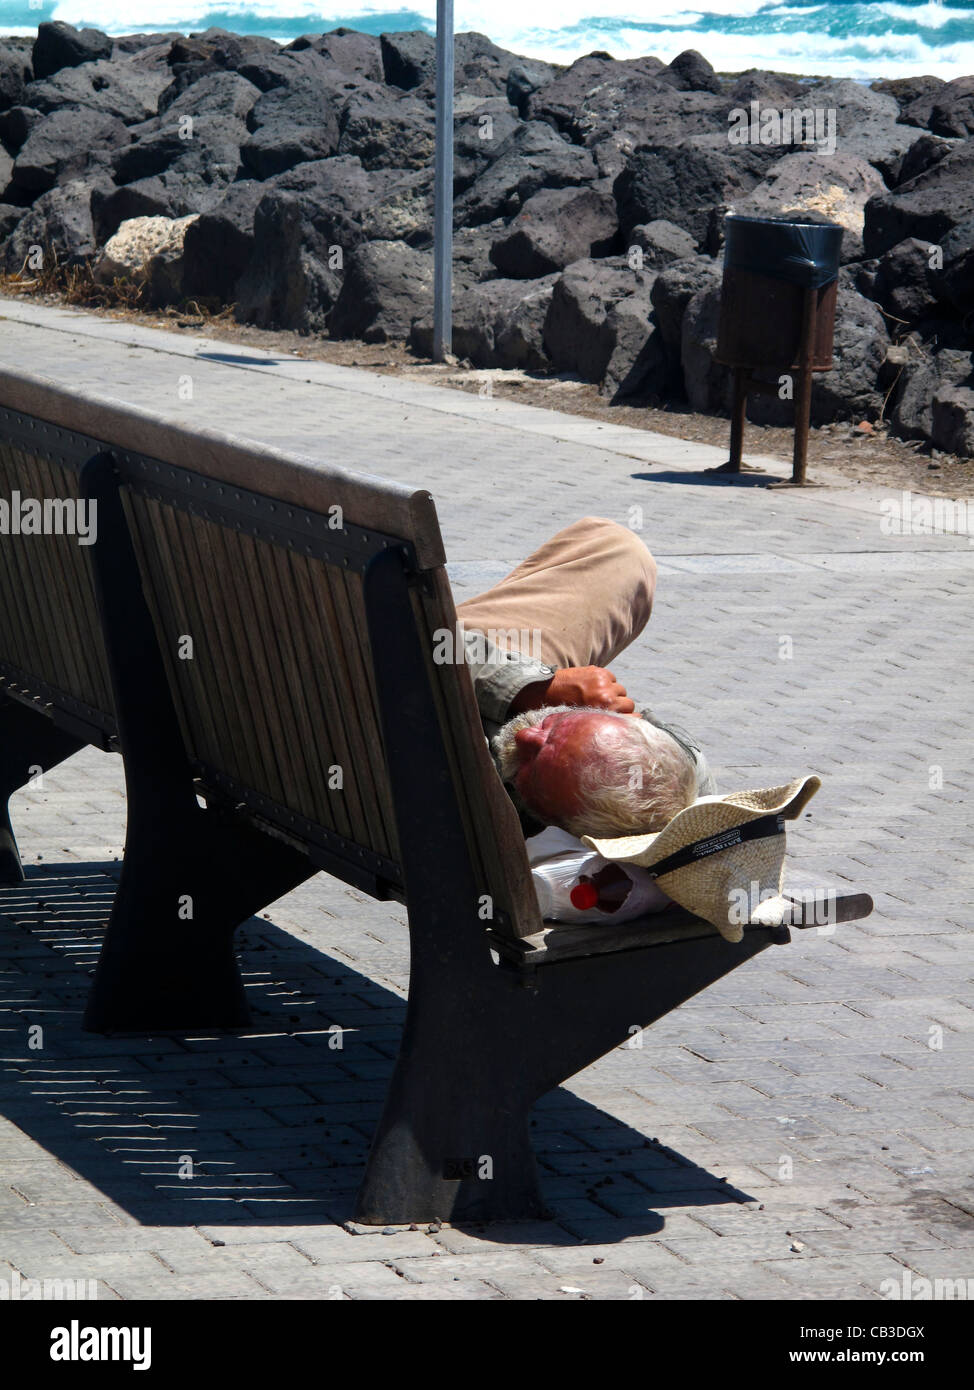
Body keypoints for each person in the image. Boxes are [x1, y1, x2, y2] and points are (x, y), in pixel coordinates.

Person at [453, 517, 716, 922]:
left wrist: (531, 691)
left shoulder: (490, 801)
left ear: (553, 821)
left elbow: (413, 637)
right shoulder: (667, 779)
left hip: (424, 668)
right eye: (554, 724)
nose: (524, 738)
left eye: (530, 768)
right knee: (621, 553)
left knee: (616, 553)